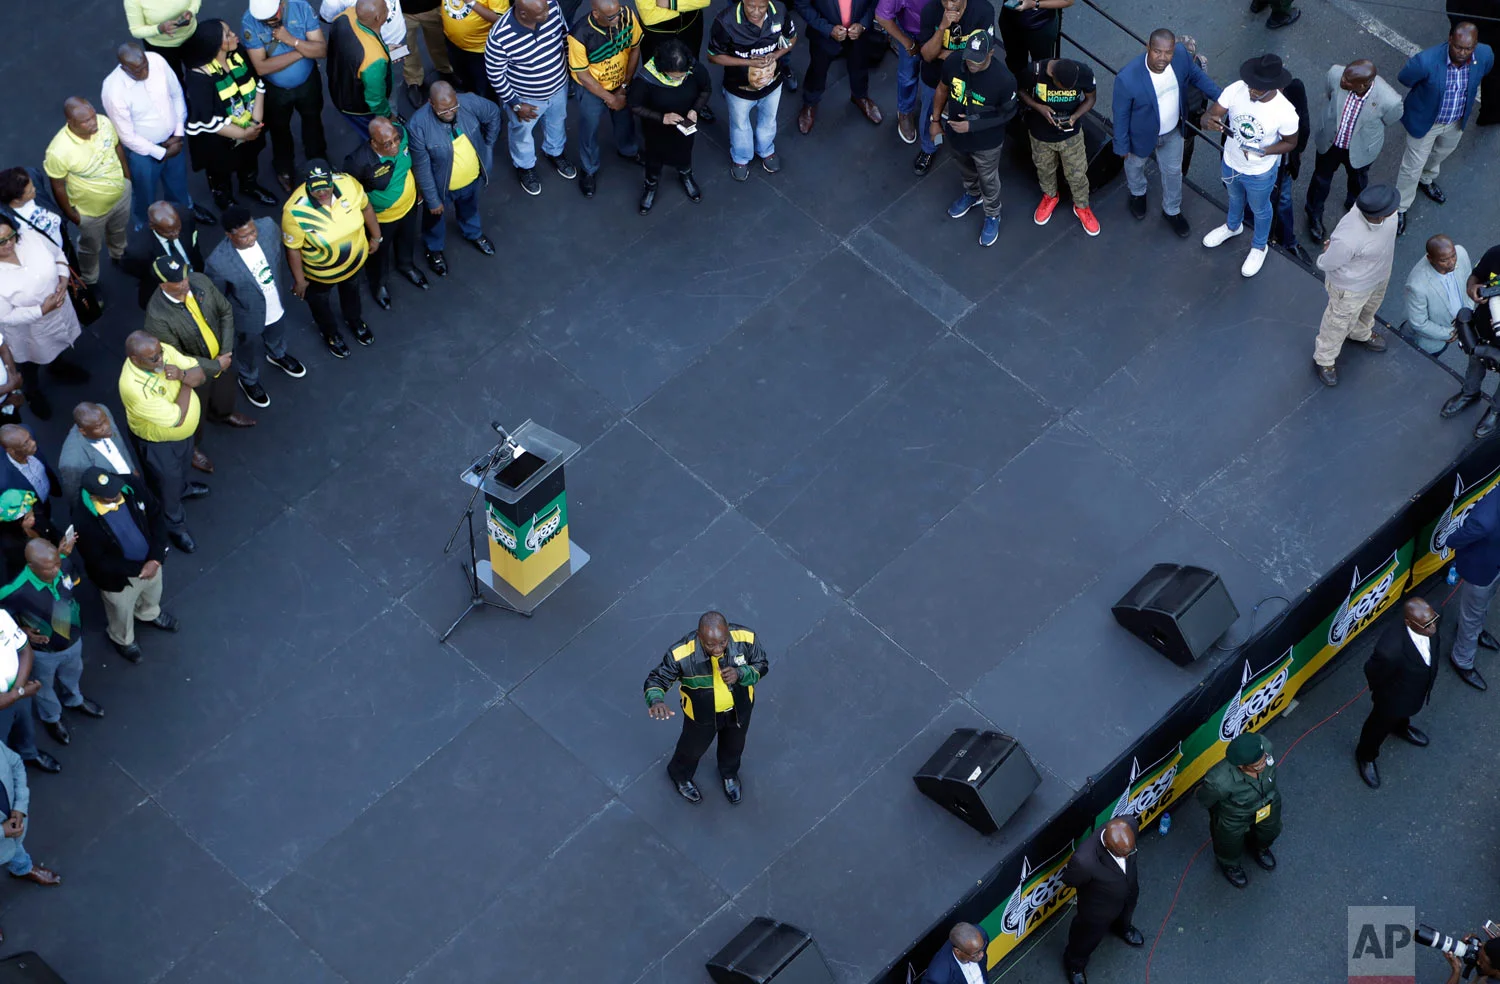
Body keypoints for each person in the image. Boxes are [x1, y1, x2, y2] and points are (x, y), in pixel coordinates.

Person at [643, 611, 768, 804]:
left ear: (728, 632)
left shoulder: (746, 638)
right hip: (701, 714)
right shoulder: (681, 654)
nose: (718, 649)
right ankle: (680, 775)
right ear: (699, 636)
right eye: (710, 645)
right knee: (691, 749)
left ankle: (729, 774)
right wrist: (656, 700)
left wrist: (741, 673)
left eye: (723, 642)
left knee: (734, 746)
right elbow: (657, 679)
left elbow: (762, 664)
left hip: (739, 708)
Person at [1112, 29, 1220, 238]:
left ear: (1173, 50)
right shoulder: (1127, 78)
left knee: (1173, 172)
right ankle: (1137, 193)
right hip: (1140, 136)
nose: (1162, 58)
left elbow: (1198, 78)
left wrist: (1224, 100)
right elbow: (1121, 114)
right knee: (1135, 166)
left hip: (1172, 132)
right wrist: (1122, 145)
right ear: (1148, 48)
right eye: (1157, 51)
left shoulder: (1181, 56)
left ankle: (1172, 210)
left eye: (1168, 52)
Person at [1200, 54, 1299, 278]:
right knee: (1234, 198)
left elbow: (1291, 143)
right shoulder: (1237, 89)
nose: (1251, 90)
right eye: (1250, 84)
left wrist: (1264, 151)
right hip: (1231, 160)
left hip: (1259, 171)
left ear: (1272, 87)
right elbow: (1212, 114)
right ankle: (1233, 226)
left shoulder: (1285, 112)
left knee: (1260, 209)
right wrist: (1208, 121)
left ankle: (1259, 246)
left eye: (1257, 88)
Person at [1394, 22, 1494, 237]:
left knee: (1440, 154)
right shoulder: (1425, 61)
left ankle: (1426, 178)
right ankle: (1401, 206)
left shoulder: (1485, 54)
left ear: (1476, 45)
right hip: (1426, 122)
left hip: (1456, 121)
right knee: (1412, 166)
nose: (1463, 53)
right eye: (1458, 47)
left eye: (1468, 48)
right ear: (1450, 40)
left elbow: (1485, 71)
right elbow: (1405, 78)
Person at [0, 539, 101, 749]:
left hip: (73, 639)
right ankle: (52, 718)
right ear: (31, 567)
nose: (56, 570)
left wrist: (62, 557)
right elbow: (3, 618)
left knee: (73, 672)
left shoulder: (64, 564)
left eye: (57, 563)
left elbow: (72, 584)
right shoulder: (15, 590)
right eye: (49, 568)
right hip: (43, 652)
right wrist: (22, 629)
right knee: (44, 687)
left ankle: (74, 699)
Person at [204, 207, 307, 409]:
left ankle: (277, 354)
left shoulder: (268, 227)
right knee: (246, 350)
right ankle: (248, 379)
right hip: (246, 316)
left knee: (277, 332)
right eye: (244, 236)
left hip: (275, 303)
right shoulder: (218, 262)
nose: (252, 238)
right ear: (229, 235)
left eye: (253, 231)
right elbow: (218, 298)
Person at [101, 43, 211, 230]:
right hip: (143, 152)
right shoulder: (113, 90)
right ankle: (147, 226)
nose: (145, 72)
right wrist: (162, 152)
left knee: (178, 183)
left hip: (173, 140)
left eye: (145, 65)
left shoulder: (157, 61)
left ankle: (183, 213)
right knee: (145, 193)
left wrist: (178, 133)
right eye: (138, 70)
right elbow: (127, 135)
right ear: (124, 68)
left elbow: (177, 95)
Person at [119, 331, 210, 554]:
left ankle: (183, 489)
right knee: (166, 484)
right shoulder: (133, 387)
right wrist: (185, 380)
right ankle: (174, 524)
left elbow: (199, 372)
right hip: (158, 443)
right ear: (135, 359)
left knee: (183, 466)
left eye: (160, 352)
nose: (161, 359)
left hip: (184, 437)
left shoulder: (162, 350)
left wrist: (186, 375)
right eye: (154, 358)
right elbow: (177, 418)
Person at [74, 468, 175, 664]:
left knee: (153, 593)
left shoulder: (130, 485)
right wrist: (139, 570)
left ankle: (149, 613)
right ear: (93, 496)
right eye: (109, 495)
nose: (116, 495)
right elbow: (98, 560)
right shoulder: (82, 520)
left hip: (151, 562)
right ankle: (123, 639)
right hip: (118, 579)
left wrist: (155, 559)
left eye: (116, 489)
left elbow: (155, 515)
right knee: (120, 611)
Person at [144, 257, 257, 430]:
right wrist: (215, 365)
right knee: (195, 413)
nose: (185, 282)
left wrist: (225, 353)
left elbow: (225, 311)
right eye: (178, 281)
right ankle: (194, 439)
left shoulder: (200, 280)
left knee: (225, 394)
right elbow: (176, 355)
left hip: (223, 357)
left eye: (185, 275)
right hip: (193, 372)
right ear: (163, 286)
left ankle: (224, 414)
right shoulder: (156, 317)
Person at [282, 160, 380, 357]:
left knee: (352, 293)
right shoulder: (294, 211)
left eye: (326, 185)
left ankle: (354, 320)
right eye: (316, 188)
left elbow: (366, 208)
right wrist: (300, 281)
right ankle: (330, 333)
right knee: (320, 303)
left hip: (353, 264)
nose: (322, 192)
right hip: (319, 274)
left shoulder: (349, 184)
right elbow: (293, 249)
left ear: (332, 178)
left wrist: (376, 236)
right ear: (306, 184)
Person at [929, 33, 1017, 248]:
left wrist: (972, 125)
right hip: (956, 134)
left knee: (988, 178)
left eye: (978, 59)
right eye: (969, 58)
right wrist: (935, 120)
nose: (972, 63)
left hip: (987, 142)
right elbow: (942, 88)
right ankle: (972, 193)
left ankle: (993, 213)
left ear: (991, 53)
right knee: (965, 167)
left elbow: (1008, 114)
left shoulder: (1004, 80)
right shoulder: (954, 62)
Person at [181, 19, 278, 211]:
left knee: (250, 158)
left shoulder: (238, 53)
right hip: (220, 139)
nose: (234, 35)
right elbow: (207, 119)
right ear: (215, 45)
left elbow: (257, 85)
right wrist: (243, 134)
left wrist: (255, 124)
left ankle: (248, 185)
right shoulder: (199, 75)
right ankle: (224, 199)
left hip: (250, 125)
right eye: (227, 34)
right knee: (220, 170)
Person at [1305, 61, 1402, 243]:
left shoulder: (1390, 100)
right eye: (1344, 76)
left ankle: (1355, 208)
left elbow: (1390, 119)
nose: (1343, 80)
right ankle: (1314, 214)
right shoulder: (1335, 74)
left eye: (1348, 81)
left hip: (1361, 149)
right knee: (1320, 180)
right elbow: (1330, 95)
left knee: (1358, 181)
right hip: (1331, 142)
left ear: (1363, 85)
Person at [487, 0, 578, 195]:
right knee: (522, 135)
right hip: (526, 99)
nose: (548, 13)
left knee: (557, 122)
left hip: (559, 88)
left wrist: (571, 73)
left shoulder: (551, 6)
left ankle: (554, 152)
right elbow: (495, 75)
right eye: (541, 13)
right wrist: (516, 104)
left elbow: (564, 39)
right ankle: (525, 166)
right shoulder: (499, 36)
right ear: (523, 13)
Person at [1311, 183, 1398, 387]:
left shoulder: (1390, 215)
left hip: (1379, 276)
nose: (1396, 207)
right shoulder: (1348, 238)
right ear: (1381, 215)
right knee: (1337, 324)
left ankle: (1360, 332)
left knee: (1369, 310)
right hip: (1350, 289)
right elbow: (1326, 263)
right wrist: (1328, 252)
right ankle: (1324, 358)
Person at [408, 83, 500, 276]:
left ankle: (473, 233)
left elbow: (493, 112)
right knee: (434, 220)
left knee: (470, 209)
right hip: (441, 189)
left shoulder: (468, 102)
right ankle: (434, 249)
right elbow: (422, 167)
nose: (450, 112)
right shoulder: (417, 126)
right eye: (443, 110)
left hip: (472, 180)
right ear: (431, 103)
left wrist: (488, 144)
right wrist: (432, 199)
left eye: (453, 106)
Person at [43, 98, 132, 287]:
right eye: (86, 121)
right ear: (71, 122)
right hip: (91, 211)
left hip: (120, 194)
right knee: (90, 248)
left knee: (118, 230)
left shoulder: (104, 123)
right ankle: (90, 280)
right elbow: (57, 185)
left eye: (93, 116)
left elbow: (117, 147)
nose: (94, 123)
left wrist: (127, 179)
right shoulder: (58, 151)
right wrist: (71, 214)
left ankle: (119, 255)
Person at [0, 217, 82, 424]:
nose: (9, 244)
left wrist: (63, 278)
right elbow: (5, 316)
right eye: (1, 242)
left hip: (60, 313)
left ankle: (57, 367)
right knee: (30, 364)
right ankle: (32, 392)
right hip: (28, 330)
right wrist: (41, 310)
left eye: (11, 236)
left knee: (60, 343)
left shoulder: (31, 237)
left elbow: (58, 255)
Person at [244, 0, 330, 193]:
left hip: (308, 83)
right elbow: (261, 67)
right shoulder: (249, 21)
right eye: (265, 19)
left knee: (313, 122)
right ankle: (284, 168)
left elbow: (321, 50)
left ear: (282, 4)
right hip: (276, 89)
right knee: (279, 130)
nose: (269, 21)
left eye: (273, 16)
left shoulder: (301, 8)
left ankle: (318, 160)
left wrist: (292, 41)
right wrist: (302, 51)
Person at [1355, 598, 1439, 789]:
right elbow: (1372, 671)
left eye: (1433, 620)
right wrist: (1383, 695)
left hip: (1415, 690)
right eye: (1427, 625)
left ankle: (1400, 727)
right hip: (1392, 697)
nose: (1433, 627)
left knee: (1404, 711)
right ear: (1409, 622)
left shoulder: (1431, 620)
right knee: (1377, 727)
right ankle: (1365, 755)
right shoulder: (1390, 649)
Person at [344, 120, 428, 310]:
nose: (395, 146)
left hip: (409, 206)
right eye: (387, 144)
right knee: (378, 254)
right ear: (373, 143)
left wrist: (418, 188)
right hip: (381, 218)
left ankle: (406, 266)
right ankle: (379, 284)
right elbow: (352, 194)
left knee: (407, 239)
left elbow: (411, 162)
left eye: (396, 139)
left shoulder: (402, 133)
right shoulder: (358, 162)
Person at [913, 0, 996, 177]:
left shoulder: (983, 10)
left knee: (968, 114)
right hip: (935, 76)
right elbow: (928, 55)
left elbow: (983, 52)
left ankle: (969, 151)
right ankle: (929, 148)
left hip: (969, 77)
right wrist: (942, 28)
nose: (950, 3)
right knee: (930, 114)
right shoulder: (930, 10)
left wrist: (944, 53)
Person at [629, 38, 711, 214]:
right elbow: (634, 105)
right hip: (656, 129)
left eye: (683, 75)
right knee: (654, 158)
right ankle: (651, 185)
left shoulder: (694, 69)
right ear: (662, 68)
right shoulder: (646, 79)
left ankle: (686, 175)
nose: (680, 79)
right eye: (675, 76)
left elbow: (705, 89)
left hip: (685, 124)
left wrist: (695, 110)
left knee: (685, 151)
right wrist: (662, 117)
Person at [1018, 56, 1097, 236]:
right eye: (1063, 87)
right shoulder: (1034, 71)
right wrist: (1039, 107)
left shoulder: (1084, 72)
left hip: (1071, 135)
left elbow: (1091, 98)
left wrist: (1074, 117)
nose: (1068, 91)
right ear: (1052, 76)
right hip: (1041, 134)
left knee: (1077, 173)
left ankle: (1082, 206)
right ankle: (1050, 196)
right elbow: (1020, 91)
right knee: (1044, 169)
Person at [573, 0, 645, 195]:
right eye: (612, 16)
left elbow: (635, 48)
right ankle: (589, 168)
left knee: (625, 118)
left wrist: (624, 86)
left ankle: (628, 150)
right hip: (593, 90)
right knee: (589, 128)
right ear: (596, 14)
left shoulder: (627, 15)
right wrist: (610, 98)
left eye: (618, 12)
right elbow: (583, 75)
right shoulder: (579, 34)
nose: (618, 18)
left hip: (620, 84)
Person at [1060, 816, 1142, 984]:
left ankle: (1122, 928)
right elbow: (1070, 880)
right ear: (1107, 846)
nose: (1127, 857)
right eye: (1122, 854)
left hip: (1129, 888)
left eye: (1130, 852)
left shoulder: (1131, 824)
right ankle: (1075, 965)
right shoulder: (1084, 861)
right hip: (1098, 907)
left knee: (1127, 910)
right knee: (1086, 937)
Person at [1196, 731, 1280, 888]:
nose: (1263, 764)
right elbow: (1205, 799)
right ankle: (1230, 865)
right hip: (1235, 816)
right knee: (1228, 845)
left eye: (1264, 759)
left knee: (1270, 831)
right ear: (1241, 766)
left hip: (1268, 801)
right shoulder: (1219, 781)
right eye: (1257, 766)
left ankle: (1260, 848)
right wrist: (1220, 816)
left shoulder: (1265, 746)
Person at [794, 0, 883, 134]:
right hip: (824, 36)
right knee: (817, 69)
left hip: (859, 34)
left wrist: (863, 25)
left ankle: (860, 96)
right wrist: (828, 29)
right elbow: (802, 5)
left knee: (860, 66)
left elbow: (875, 2)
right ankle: (810, 102)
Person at [1440, 243, 1500, 436]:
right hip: (1482, 332)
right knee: (1474, 365)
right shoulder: (1496, 253)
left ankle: (1496, 411)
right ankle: (1470, 393)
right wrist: (1472, 288)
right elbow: (1475, 276)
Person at [0, 713, 63, 894]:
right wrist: (2, 831)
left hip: (10, 831)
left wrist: (19, 808)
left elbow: (16, 764)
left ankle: (22, 868)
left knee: (14, 847)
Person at [326, 0, 397, 138]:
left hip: (338, 88)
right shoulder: (374, 58)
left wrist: (383, 48)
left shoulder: (346, 16)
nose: (388, 9)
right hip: (358, 108)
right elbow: (375, 99)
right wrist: (388, 116)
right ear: (378, 18)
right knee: (373, 136)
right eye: (386, 8)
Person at [122, 201, 203, 309]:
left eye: (178, 227)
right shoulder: (138, 251)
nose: (176, 234)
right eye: (169, 232)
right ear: (152, 226)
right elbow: (136, 271)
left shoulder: (186, 216)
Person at [1265, 73, 1310, 263]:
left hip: (1281, 162)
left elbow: (1303, 125)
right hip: (1254, 164)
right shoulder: (1249, 92)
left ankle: (1289, 241)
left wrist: (1296, 153)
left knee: (1283, 200)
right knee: (1252, 200)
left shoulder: (1295, 88)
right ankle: (1254, 233)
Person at [58, 403, 144, 505]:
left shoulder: (101, 412)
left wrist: (131, 468)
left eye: (106, 421)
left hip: (130, 479)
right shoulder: (72, 462)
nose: (107, 427)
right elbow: (75, 496)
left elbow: (119, 443)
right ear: (83, 431)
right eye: (99, 427)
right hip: (112, 496)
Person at [1408, 234, 1472, 357]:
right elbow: (1419, 323)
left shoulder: (1461, 253)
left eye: (1453, 256)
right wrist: (1450, 333)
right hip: (1434, 340)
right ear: (1430, 258)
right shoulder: (1417, 286)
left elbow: (1469, 283)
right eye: (1444, 260)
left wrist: (1467, 313)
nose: (1452, 263)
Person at [874, 0, 928, 145]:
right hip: (912, 33)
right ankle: (905, 111)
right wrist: (907, 43)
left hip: (941, 31)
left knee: (939, 70)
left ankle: (939, 101)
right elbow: (882, 16)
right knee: (908, 76)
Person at [442, 0, 509, 101]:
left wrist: (471, 2)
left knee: (485, 91)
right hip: (453, 43)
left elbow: (500, 19)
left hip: (479, 50)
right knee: (465, 81)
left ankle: (487, 109)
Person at [1449, 0, 1500, 125]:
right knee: (1493, 74)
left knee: (1459, 70)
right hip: (1491, 32)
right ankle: (1490, 113)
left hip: (1466, 29)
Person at [0, 171, 70, 257]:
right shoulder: (7, 221)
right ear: (16, 200)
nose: (34, 189)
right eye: (29, 191)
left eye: (32, 185)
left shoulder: (33, 180)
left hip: (64, 250)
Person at [123, 0, 202, 76]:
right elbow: (136, 30)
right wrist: (159, 29)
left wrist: (191, 11)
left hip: (191, 36)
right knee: (174, 77)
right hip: (162, 47)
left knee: (199, 72)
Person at [0, 427, 59, 527]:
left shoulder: (27, 439)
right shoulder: (5, 482)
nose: (33, 443)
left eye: (30, 438)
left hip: (45, 498)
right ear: (11, 451)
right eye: (25, 443)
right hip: (34, 510)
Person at [997, 0, 1071, 78]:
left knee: (1041, 68)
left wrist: (1035, 4)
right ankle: (1018, 82)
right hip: (1010, 19)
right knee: (1015, 62)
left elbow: (1068, 1)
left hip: (1041, 28)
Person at [636, 0, 711, 73]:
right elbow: (649, 16)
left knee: (691, 69)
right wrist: (688, 6)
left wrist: (670, 3)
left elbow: (704, 1)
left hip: (689, 29)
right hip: (658, 35)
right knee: (655, 73)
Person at [403, 0, 454, 107]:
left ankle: (445, 69)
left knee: (439, 42)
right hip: (403, 12)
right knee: (407, 49)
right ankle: (413, 80)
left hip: (433, 8)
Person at [920, 923, 989, 984]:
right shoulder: (938, 978)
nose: (982, 954)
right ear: (957, 951)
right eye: (975, 954)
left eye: (982, 949)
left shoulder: (981, 936)